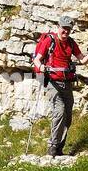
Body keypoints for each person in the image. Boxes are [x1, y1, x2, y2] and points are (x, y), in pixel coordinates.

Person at [32, 16, 84, 157]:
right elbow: (37, 59)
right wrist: (41, 66)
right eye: (64, 28)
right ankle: (52, 146)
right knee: (59, 112)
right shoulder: (50, 41)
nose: (66, 32)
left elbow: (82, 59)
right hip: (53, 82)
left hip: (67, 83)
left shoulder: (71, 43)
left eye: (68, 29)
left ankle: (60, 147)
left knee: (68, 117)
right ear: (58, 27)